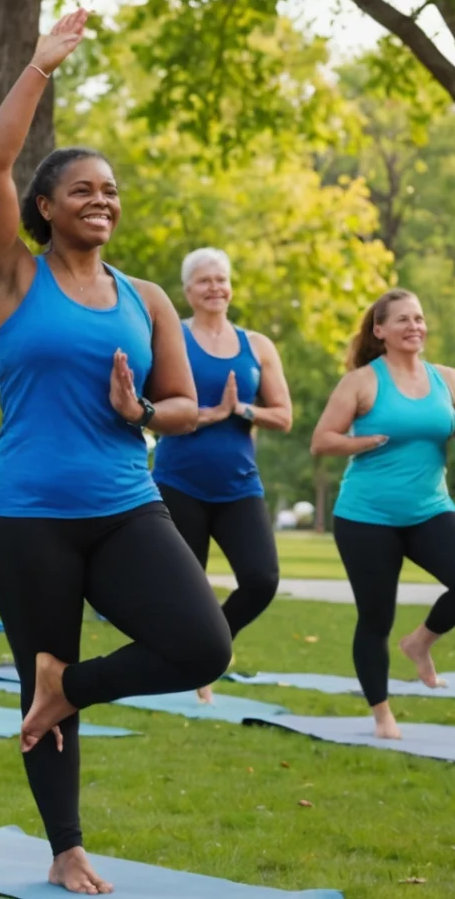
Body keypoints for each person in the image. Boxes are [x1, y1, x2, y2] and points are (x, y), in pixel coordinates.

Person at [0, 9, 232, 895]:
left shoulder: (147, 297)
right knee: (35, 668)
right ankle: (67, 846)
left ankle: (68, 682)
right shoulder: (11, 280)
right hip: (26, 516)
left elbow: (185, 406)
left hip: (126, 503)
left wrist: (145, 407)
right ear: (46, 207)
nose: (102, 201)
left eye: (111, 190)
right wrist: (39, 66)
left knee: (202, 645)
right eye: (82, 190)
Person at [311, 288, 455, 740]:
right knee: (375, 618)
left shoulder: (449, 380)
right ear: (380, 331)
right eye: (402, 320)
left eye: (419, 318)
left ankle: (420, 642)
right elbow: (322, 441)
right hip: (366, 515)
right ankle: (382, 714)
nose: (414, 326)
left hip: (430, 509)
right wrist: (362, 443)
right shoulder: (361, 381)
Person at [151, 247, 293, 701]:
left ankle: (213, 646)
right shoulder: (172, 338)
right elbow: (152, 412)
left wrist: (242, 409)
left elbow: (284, 415)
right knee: (188, 587)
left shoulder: (257, 346)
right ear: (188, 290)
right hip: (179, 482)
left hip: (238, 486)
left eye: (221, 279)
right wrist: (207, 416)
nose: (215, 287)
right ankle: (195, 662)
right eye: (204, 280)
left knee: (262, 579)